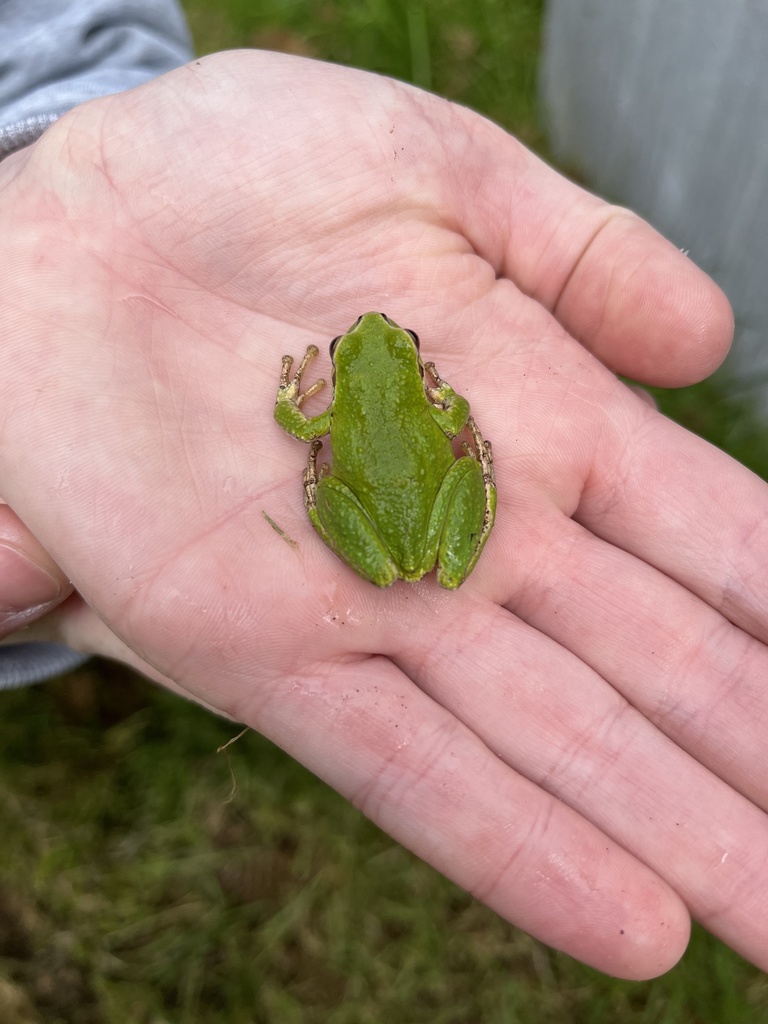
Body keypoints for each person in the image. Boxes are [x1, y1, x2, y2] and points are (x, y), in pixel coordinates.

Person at [2, 0, 767, 983]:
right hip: (437, 527)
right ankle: (449, 530)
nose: (379, 343)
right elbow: (455, 431)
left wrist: (298, 392)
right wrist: (464, 447)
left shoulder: (330, 413)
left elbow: (300, 429)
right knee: (446, 499)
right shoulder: (426, 392)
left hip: (369, 512)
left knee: (345, 495)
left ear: (386, 366)